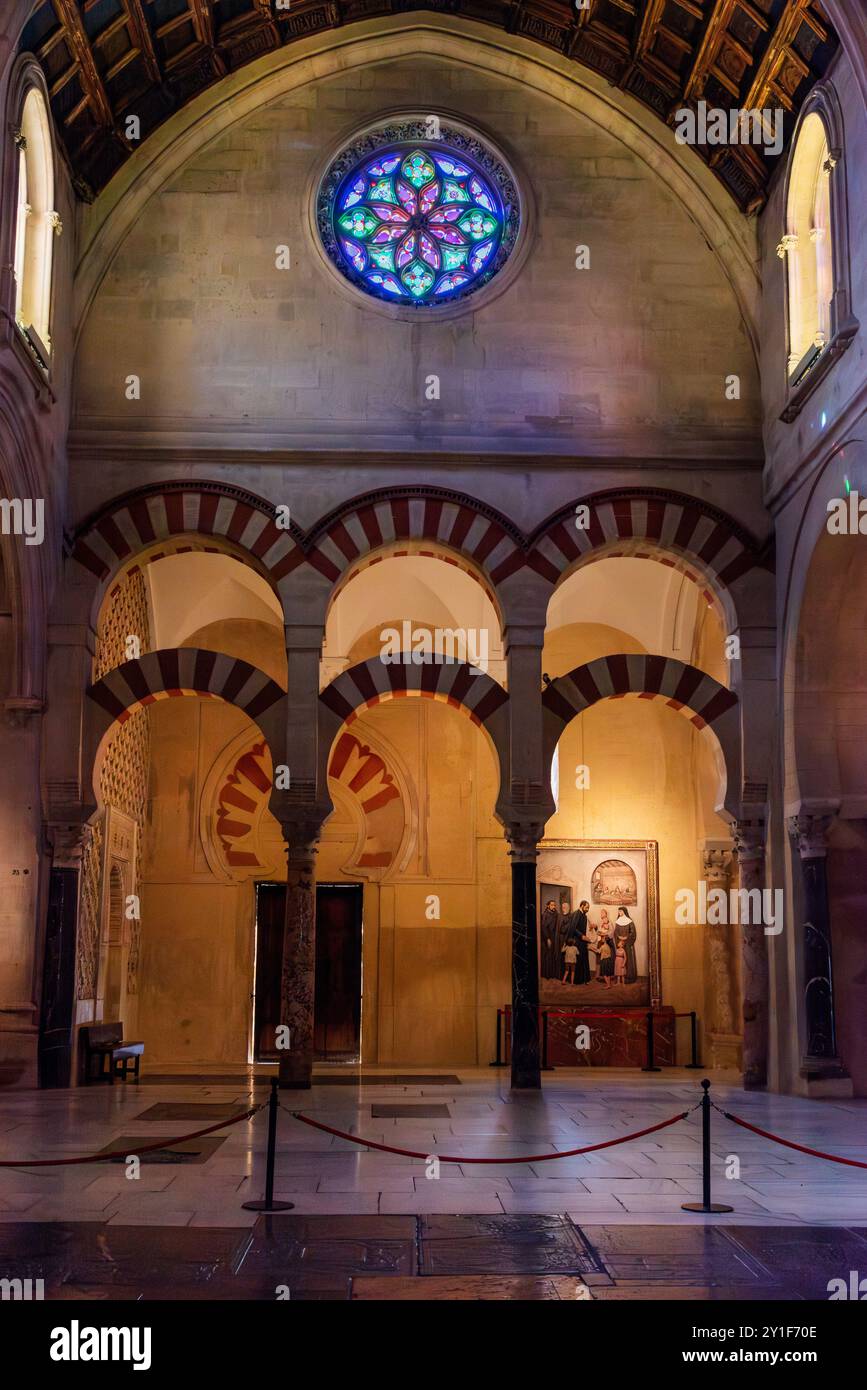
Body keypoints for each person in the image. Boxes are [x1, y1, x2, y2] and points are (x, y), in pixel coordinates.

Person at [613, 908, 638, 984]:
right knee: (619, 960)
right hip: (620, 943)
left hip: (627, 944)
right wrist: (619, 938)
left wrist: (626, 937)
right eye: (618, 911)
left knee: (628, 959)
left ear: (624, 912)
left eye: (620, 911)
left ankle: (629, 976)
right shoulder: (618, 921)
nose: (619, 912)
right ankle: (619, 978)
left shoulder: (629, 921)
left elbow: (633, 932)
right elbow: (615, 932)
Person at [540, 899, 560, 979]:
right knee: (547, 955)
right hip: (547, 937)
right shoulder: (545, 914)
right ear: (548, 905)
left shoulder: (555, 913)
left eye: (554, 905)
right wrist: (547, 938)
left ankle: (552, 974)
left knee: (552, 955)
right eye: (552, 905)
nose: (553, 906)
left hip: (554, 936)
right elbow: (543, 927)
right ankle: (547, 975)